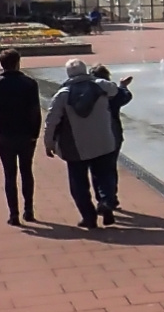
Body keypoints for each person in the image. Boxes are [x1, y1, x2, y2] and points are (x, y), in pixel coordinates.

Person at [43, 59, 120, 230]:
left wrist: (48, 143)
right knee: (105, 175)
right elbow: (115, 90)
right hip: (103, 141)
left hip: (76, 147)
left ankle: (89, 217)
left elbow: (51, 121)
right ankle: (106, 201)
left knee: (78, 184)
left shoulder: (62, 94)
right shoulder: (101, 86)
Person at [0, 49, 43, 225]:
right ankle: (29, 210)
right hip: (26, 133)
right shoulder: (30, 84)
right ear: (17, 63)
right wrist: (35, 133)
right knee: (26, 171)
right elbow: (35, 111)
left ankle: (14, 214)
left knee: (9, 173)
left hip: (5, 133)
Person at [89, 66, 135, 220]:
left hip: (93, 134)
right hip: (113, 132)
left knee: (95, 168)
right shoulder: (112, 92)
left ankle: (102, 199)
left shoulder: (88, 92)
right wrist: (123, 85)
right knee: (109, 167)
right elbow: (126, 97)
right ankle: (110, 199)